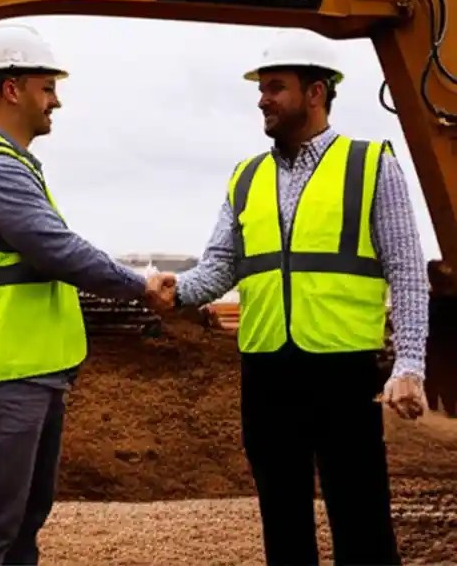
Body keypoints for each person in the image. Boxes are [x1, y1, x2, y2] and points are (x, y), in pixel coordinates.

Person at [149, 29, 429, 565]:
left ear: (316, 92)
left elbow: (408, 271)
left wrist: (410, 361)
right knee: (283, 523)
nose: (262, 98)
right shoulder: (245, 176)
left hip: (343, 371)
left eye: (275, 87)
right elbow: (221, 267)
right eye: (261, 88)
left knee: (362, 523)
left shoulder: (371, 165)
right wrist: (178, 291)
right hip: (266, 372)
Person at [0, 23, 171, 565]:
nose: (56, 101)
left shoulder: (15, 166)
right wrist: (139, 285)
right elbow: (58, 250)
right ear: (13, 88)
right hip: (6, 373)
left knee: (23, 521)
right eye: (47, 87)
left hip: (31, 371)